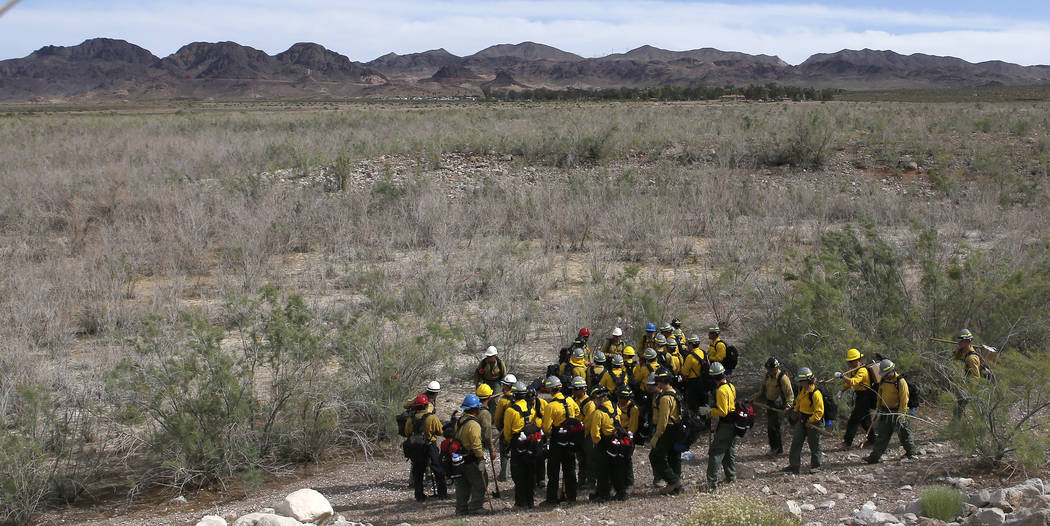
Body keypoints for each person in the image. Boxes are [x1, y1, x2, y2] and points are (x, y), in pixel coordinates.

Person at [864, 359, 917, 464]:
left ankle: (911, 453)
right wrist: (878, 409)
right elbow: (880, 395)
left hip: (898, 412)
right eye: (884, 374)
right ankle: (874, 457)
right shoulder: (883, 380)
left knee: (904, 434)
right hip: (885, 412)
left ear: (892, 371)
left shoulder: (900, 382)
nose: (885, 376)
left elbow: (904, 399)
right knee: (882, 435)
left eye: (887, 374)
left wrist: (901, 415)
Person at [541, 376, 581, 506]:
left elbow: (546, 428)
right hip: (571, 438)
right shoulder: (570, 400)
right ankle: (572, 497)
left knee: (553, 471)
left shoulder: (551, 406)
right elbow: (578, 412)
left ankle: (551, 499)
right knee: (570, 469)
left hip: (557, 440)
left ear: (550, 390)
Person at [404, 394, 447, 501]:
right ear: (426, 405)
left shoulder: (410, 419)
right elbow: (440, 431)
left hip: (416, 447)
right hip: (430, 446)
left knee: (418, 471)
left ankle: (419, 495)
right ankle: (442, 494)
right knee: (437, 469)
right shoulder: (432, 418)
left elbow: (407, 433)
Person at [589, 386, 629, 502]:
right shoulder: (615, 407)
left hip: (604, 443)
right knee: (616, 469)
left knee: (602, 470)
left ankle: (604, 495)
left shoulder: (598, 413)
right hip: (616, 441)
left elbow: (595, 433)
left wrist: (597, 444)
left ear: (598, 399)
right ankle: (621, 492)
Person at [703, 362, 738, 492]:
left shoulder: (720, 391)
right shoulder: (730, 386)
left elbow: (723, 411)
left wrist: (709, 411)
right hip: (733, 424)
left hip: (726, 425)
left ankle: (711, 483)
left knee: (716, 452)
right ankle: (731, 477)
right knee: (728, 451)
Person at [504, 381, 538, 509]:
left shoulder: (510, 411)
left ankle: (520, 502)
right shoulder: (531, 408)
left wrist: (510, 442)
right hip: (530, 441)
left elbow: (507, 432)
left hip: (517, 442)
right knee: (530, 471)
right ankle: (530, 501)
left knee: (518, 473)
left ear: (514, 395)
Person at [649, 368, 683, 495]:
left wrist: (657, 436)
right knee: (674, 457)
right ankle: (677, 488)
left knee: (655, 456)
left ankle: (673, 481)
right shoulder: (675, 392)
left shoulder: (665, 398)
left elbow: (663, 420)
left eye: (657, 381)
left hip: (668, 430)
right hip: (677, 428)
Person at [783, 367, 823, 475]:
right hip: (802, 419)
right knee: (796, 442)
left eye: (801, 381)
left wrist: (810, 421)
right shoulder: (803, 390)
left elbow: (819, 412)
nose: (800, 383)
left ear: (808, 380)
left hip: (813, 421)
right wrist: (794, 412)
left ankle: (816, 466)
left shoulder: (815, 393)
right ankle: (794, 465)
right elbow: (799, 402)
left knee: (814, 444)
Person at [752, 356, 794, 457]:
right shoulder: (767, 376)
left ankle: (776, 449)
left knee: (774, 427)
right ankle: (776, 449)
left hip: (779, 406)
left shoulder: (783, 378)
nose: (770, 371)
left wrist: (788, 406)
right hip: (770, 404)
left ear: (776, 368)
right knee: (771, 427)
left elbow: (790, 394)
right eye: (769, 369)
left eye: (772, 369)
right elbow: (762, 389)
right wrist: (755, 398)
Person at [454, 394, 488, 516]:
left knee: (462, 485)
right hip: (471, 459)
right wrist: (481, 459)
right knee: (481, 482)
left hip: (459, 459)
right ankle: (475, 507)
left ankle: (461, 509)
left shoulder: (460, 421)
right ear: (475, 409)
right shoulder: (473, 425)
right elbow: (476, 445)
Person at [835, 348, 876, 449]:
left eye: (851, 361)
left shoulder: (862, 370)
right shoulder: (854, 370)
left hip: (866, 396)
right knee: (865, 420)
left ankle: (847, 443)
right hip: (860, 395)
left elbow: (854, 382)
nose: (849, 363)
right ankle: (873, 440)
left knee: (854, 420)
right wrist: (842, 391)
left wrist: (842, 376)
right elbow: (849, 383)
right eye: (849, 361)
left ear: (857, 360)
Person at [569, 376, 593, 489]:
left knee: (588, 459)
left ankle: (590, 481)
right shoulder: (573, 400)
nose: (574, 391)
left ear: (583, 389)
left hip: (585, 435)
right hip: (576, 434)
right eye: (573, 389)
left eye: (576, 389)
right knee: (580, 459)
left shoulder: (589, 404)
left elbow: (589, 422)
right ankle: (581, 480)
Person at [614, 385, 640, 488]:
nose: (621, 400)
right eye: (620, 397)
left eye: (624, 398)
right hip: (618, 432)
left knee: (626, 458)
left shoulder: (633, 409)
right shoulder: (616, 406)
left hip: (628, 435)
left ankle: (629, 481)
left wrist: (627, 438)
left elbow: (633, 426)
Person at [493, 374, 517, 481]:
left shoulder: (503, 401)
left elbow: (497, 417)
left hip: (505, 429)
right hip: (517, 429)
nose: (502, 387)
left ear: (507, 386)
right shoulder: (520, 397)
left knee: (505, 452)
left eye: (504, 385)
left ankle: (504, 475)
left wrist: (499, 428)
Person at [681, 334, 709, 414]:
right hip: (703, 381)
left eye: (688, 344)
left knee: (692, 404)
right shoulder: (703, 352)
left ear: (691, 344)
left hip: (692, 383)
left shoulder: (690, 357)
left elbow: (684, 372)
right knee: (702, 402)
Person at [475, 384, 497, 463]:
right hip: (477, 446)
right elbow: (487, 434)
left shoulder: (471, 408)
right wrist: (492, 450)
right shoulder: (485, 414)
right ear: (489, 397)